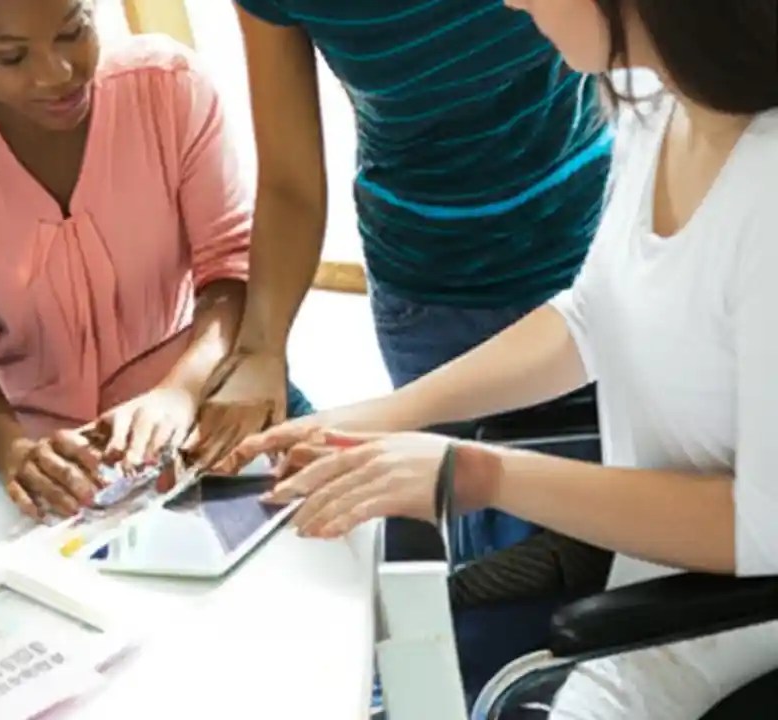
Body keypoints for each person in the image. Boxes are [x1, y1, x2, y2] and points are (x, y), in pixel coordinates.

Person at [222, 0, 778, 716]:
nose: (511, 2)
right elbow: (590, 319)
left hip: (724, 635)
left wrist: (479, 473)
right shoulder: (653, 103)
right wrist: (373, 417)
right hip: (652, 595)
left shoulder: (764, 189)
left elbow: (762, 528)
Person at [0, 0, 313, 520]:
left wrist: (179, 391)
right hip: (44, 447)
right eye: (12, 57)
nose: (57, 73)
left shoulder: (168, 85)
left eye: (73, 31)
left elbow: (231, 266)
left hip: (204, 395)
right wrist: (16, 452)